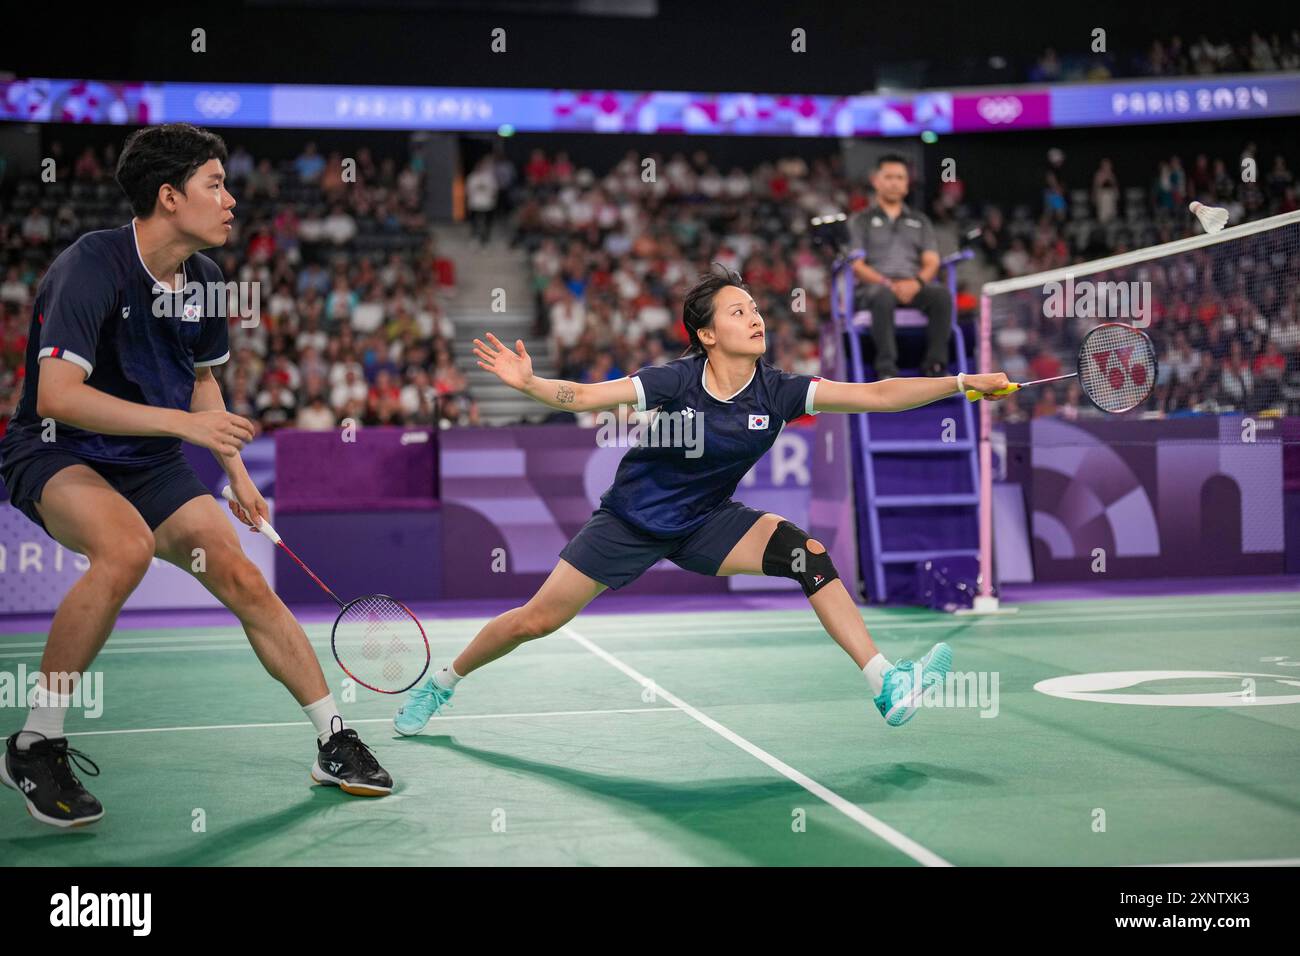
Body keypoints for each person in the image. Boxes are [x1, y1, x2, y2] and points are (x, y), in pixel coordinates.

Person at [393, 264, 1011, 737]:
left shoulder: (780, 391)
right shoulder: (675, 381)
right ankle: (444, 683)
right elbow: (584, 397)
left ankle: (886, 684)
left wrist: (961, 383)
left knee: (808, 556)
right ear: (708, 334)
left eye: (756, 309)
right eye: (738, 312)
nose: (756, 318)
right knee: (535, 621)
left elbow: (877, 395)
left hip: (707, 522)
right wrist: (529, 383)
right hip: (629, 522)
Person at [0, 124, 392, 829]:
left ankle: (334, 737)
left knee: (242, 575)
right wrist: (185, 429)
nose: (231, 200)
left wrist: (236, 473)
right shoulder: (93, 266)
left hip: (147, 461)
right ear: (169, 196)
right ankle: (35, 741)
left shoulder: (208, 283)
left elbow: (202, 387)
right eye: (215, 184)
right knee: (125, 549)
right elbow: (57, 394)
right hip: (57, 451)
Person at [847, 154, 952, 379]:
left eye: (900, 177)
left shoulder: (921, 221)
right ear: (876, 180)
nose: (894, 182)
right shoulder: (861, 220)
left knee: (941, 296)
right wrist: (888, 283)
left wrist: (916, 283)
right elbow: (856, 264)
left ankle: (935, 365)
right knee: (883, 295)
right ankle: (886, 369)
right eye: (889, 177)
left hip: (913, 285)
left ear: (907, 184)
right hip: (875, 287)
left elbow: (932, 261)